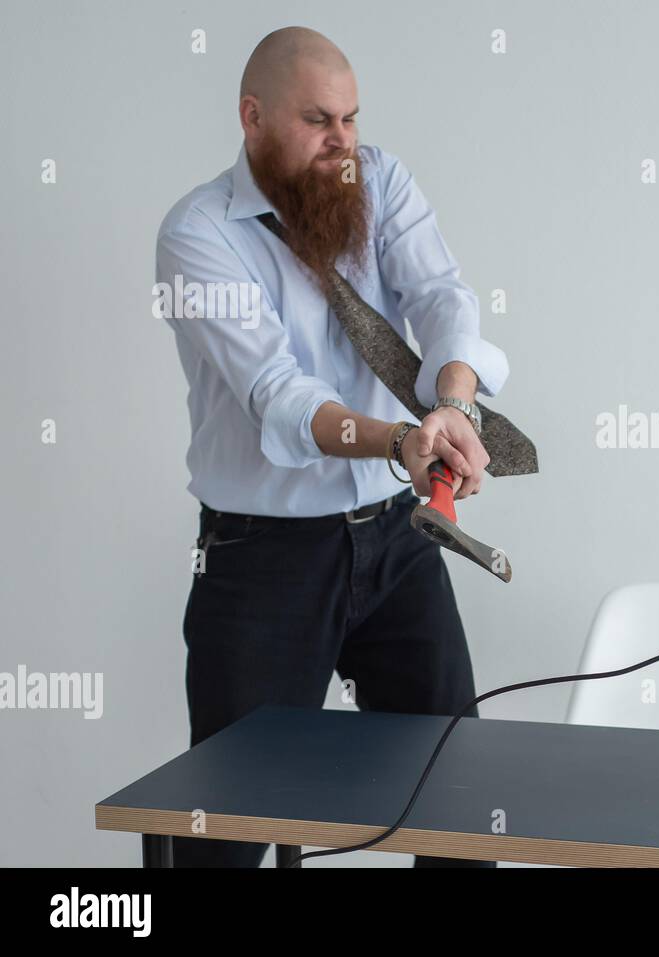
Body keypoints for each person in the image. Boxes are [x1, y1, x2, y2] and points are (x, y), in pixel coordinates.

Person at [155, 26, 504, 867]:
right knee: (224, 835)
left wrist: (452, 402)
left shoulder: (378, 180)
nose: (341, 141)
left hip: (395, 541)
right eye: (317, 120)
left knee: (455, 804)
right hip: (261, 563)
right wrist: (400, 438)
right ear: (252, 118)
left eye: (350, 118)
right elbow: (280, 397)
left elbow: (442, 295)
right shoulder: (197, 234)